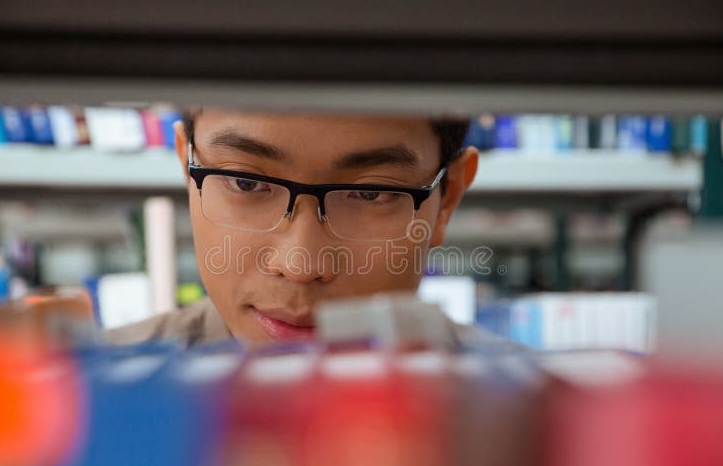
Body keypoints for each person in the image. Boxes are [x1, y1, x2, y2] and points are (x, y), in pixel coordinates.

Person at [108, 108, 502, 348]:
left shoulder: (529, 426)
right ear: (186, 168)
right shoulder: (82, 410)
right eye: (246, 183)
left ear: (447, 197)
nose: (300, 265)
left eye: (369, 194)